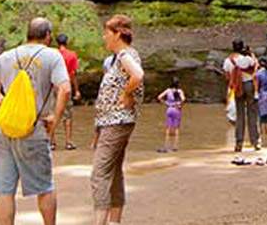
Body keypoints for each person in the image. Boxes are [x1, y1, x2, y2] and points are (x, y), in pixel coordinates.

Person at [0, 18, 72, 225]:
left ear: (27, 34)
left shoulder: (8, 55)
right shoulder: (52, 56)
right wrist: (55, 118)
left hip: (5, 129)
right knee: (44, 187)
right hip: (34, 130)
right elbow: (65, 88)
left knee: (5, 190)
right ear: (48, 36)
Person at [90, 14, 144, 225]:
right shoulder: (120, 57)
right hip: (113, 121)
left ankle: (101, 221)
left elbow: (137, 75)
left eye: (107, 33)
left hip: (117, 120)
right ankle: (114, 221)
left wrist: (127, 94)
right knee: (113, 172)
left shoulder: (124, 55)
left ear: (118, 34)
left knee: (99, 174)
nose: (104, 37)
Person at [220, 39, 261, 152]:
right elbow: (255, 66)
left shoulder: (228, 61)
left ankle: (239, 143)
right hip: (248, 85)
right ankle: (255, 142)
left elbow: (227, 75)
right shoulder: (247, 59)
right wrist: (250, 53)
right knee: (252, 113)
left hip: (237, 88)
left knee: (240, 114)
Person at [56, 33, 81, 150]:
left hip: (54, 87)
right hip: (65, 87)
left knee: (53, 113)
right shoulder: (72, 55)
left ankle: (51, 142)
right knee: (68, 116)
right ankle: (68, 142)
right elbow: (72, 74)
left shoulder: (53, 54)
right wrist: (76, 90)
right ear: (67, 42)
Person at [155, 76, 185, 153]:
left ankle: (166, 145)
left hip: (169, 109)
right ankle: (175, 146)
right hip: (177, 109)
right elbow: (183, 99)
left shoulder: (168, 90)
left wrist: (166, 103)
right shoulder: (179, 91)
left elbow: (159, 97)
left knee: (168, 128)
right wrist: (179, 104)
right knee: (176, 128)